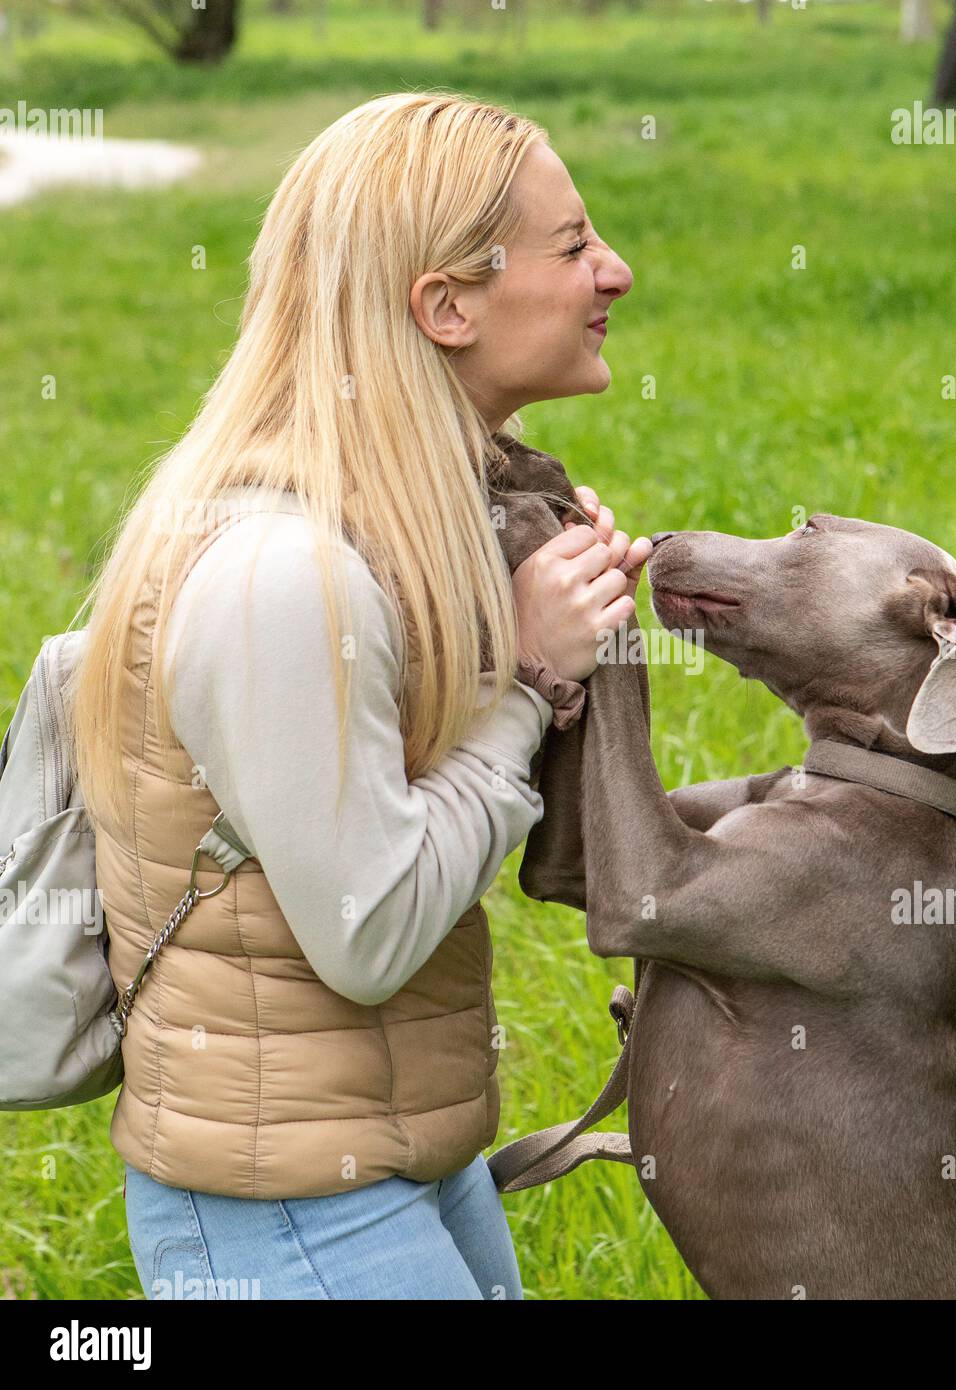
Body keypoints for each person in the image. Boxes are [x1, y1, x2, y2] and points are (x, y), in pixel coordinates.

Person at [69, 91, 650, 1300]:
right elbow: (372, 929)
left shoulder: (385, 529)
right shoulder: (284, 575)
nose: (617, 270)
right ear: (444, 305)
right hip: (285, 1216)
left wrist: (527, 602)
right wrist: (529, 681)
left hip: (387, 1162)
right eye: (573, 245)